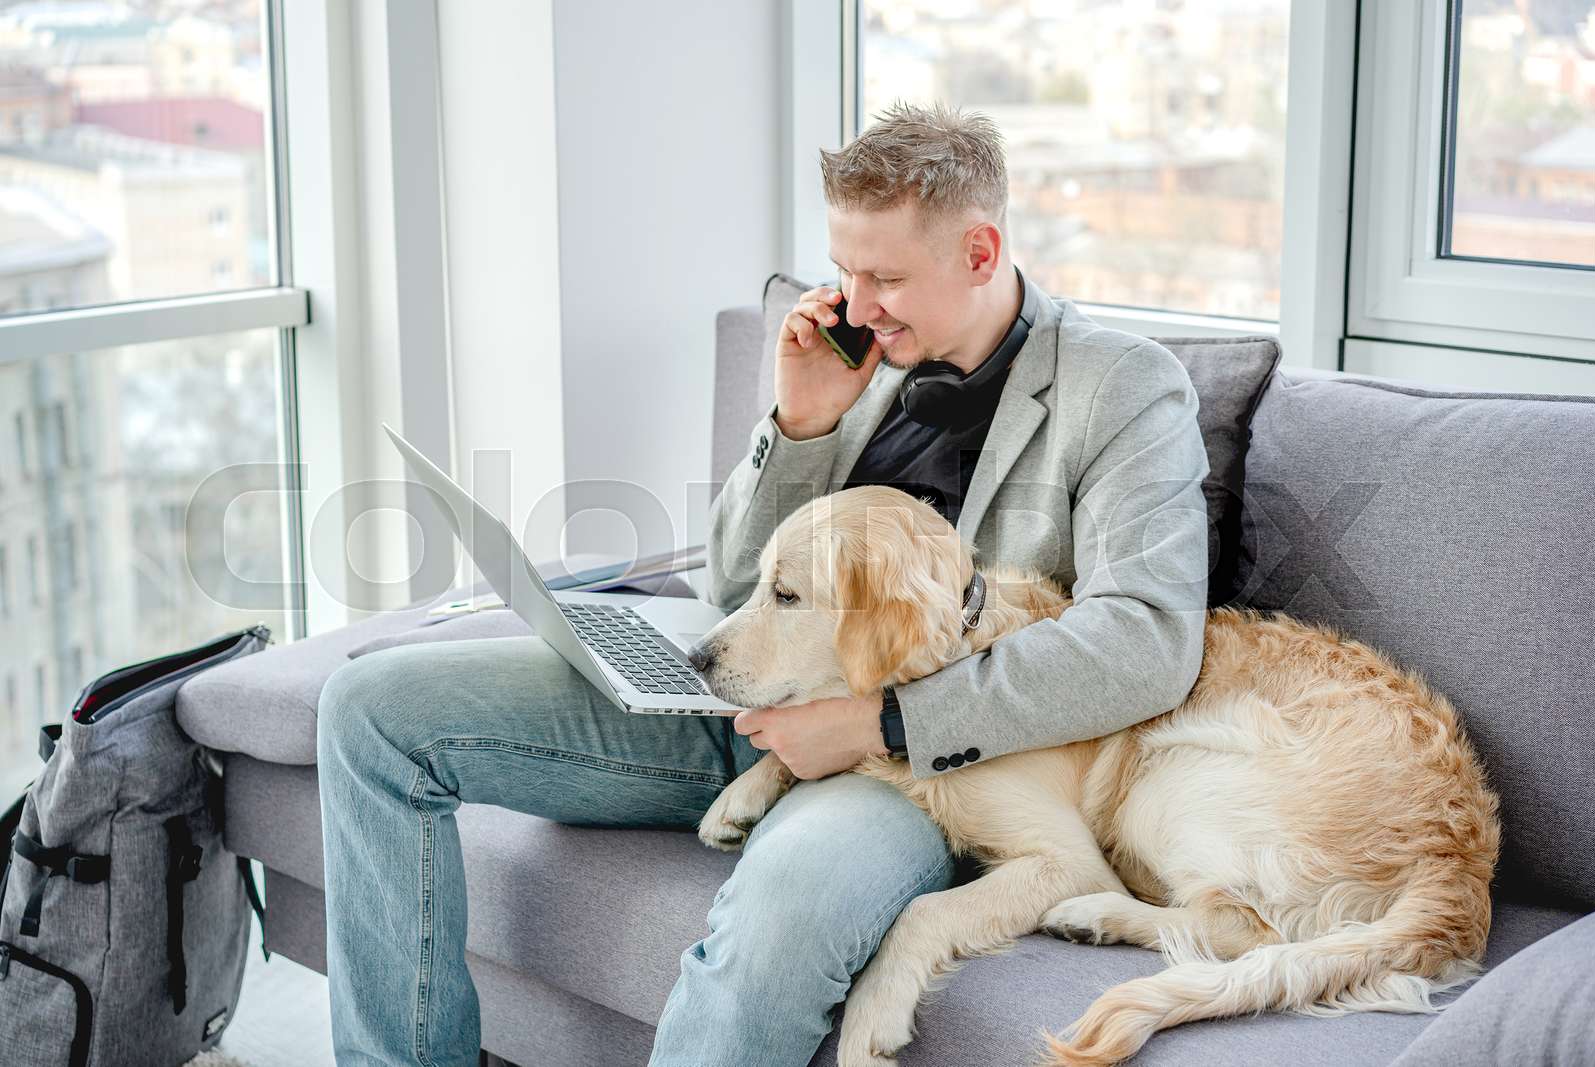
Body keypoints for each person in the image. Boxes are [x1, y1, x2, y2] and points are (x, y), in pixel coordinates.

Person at [315, 99, 1211, 1067]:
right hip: (741, 687)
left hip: (913, 764)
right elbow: (738, 577)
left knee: (783, 912)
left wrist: (882, 723)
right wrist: (802, 424)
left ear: (982, 252)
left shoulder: (1119, 389)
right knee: (370, 707)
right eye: (846, 271)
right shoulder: (856, 359)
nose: (858, 304)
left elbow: (1147, 638)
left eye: (887, 277)